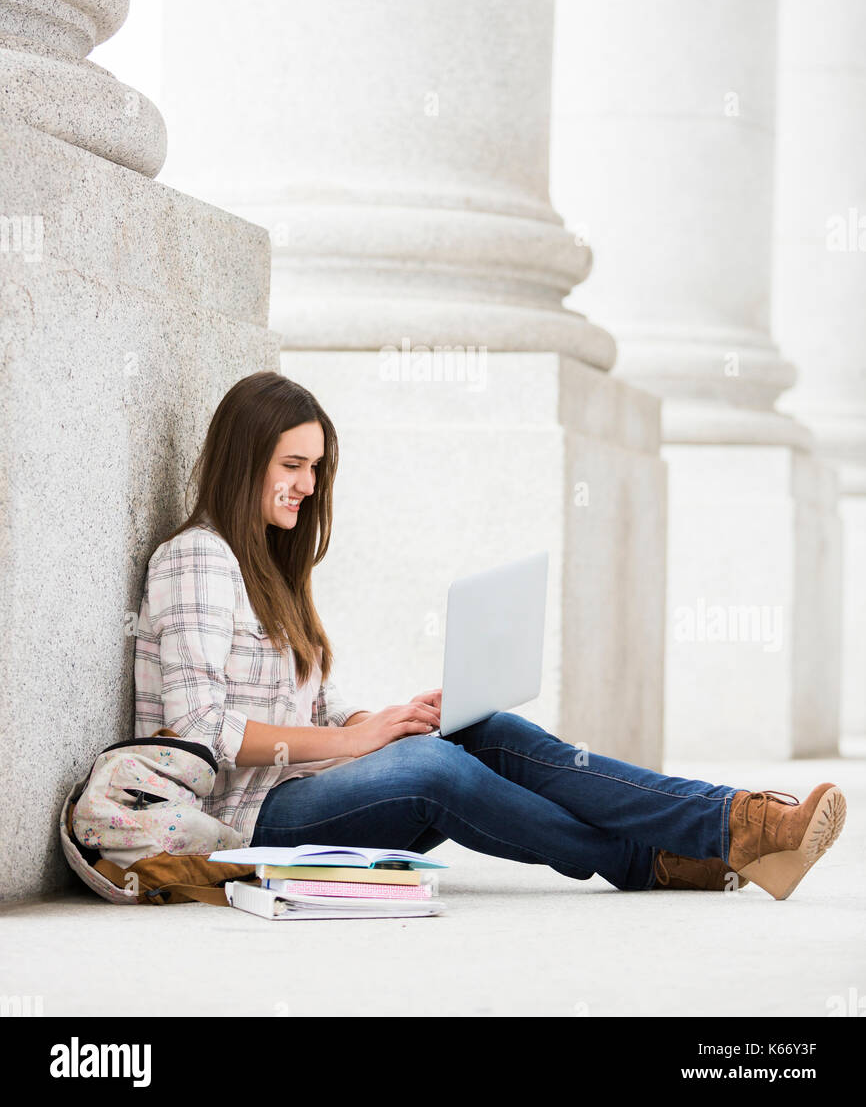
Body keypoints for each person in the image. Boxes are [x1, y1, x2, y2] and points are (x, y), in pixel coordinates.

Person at [133, 371, 846, 899]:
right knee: (434, 770)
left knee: (484, 731)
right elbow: (200, 728)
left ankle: (732, 819)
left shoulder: (271, 570)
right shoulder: (197, 556)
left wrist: (381, 721)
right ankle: (663, 853)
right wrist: (356, 743)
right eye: (293, 465)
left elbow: (315, 710)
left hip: (300, 791)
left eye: (316, 468)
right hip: (240, 818)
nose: (309, 485)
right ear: (242, 461)